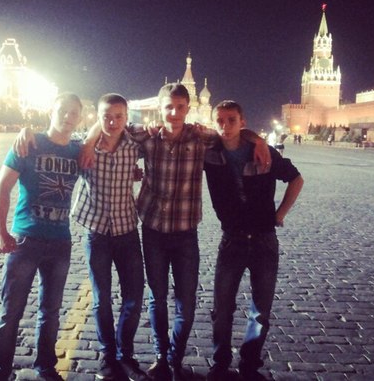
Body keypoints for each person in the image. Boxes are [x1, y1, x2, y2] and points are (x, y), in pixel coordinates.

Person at [81, 83, 269, 381]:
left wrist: (258, 140)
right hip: (153, 231)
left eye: (180, 107)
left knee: (187, 304)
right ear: (160, 107)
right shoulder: (146, 136)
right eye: (168, 107)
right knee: (157, 299)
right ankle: (160, 357)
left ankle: (175, 358)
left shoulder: (201, 137)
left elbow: (231, 131)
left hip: (185, 234)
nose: (174, 113)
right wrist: (89, 140)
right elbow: (110, 124)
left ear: (188, 108)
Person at [204, 100, 304, 381]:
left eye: (231, 120)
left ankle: (249, 365)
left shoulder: (264, 152)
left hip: (264, 241)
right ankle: (220, 363)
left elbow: (296, 179)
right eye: (220, 120)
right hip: (232, 240)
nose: (225, 126)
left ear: (242, 122)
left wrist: (280, 213)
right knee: (222, 309)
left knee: (260, 311)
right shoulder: (209, 153)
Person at [0, 93, 83, 381]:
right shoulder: (29, 144)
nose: (67, 117)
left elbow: (108, 133)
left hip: (60, 242)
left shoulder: (78, 151)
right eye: (63, 110)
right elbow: (3, 187)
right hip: (25, 240)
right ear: (51, 111)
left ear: (79, 118)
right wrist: (1, 231)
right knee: (11, 312)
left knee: (51, 312)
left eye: (74, 113)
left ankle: (46, 367)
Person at [71, 93, 148, 381]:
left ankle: (125, 354)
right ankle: (108, 355)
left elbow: (167, 130)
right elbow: (52, 141)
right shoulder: (84, 147)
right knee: (101, 299)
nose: (113, 122)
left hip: (127, 230)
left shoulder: (135, 144)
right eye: (106, 117)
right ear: (98, 117)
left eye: (118, 116)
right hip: (96, 232)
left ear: (127, 117)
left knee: (134, 297)